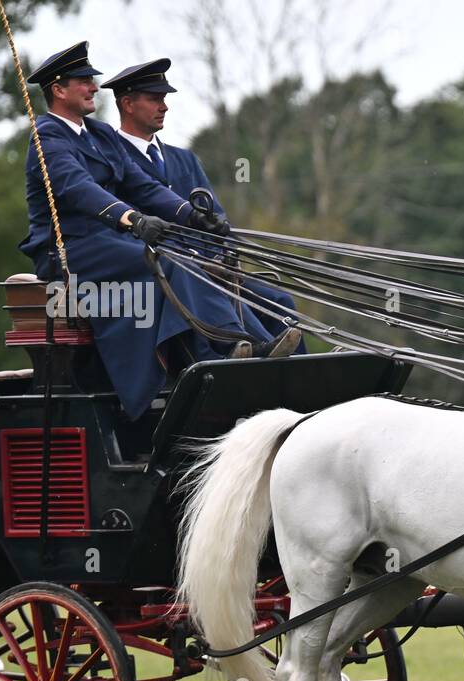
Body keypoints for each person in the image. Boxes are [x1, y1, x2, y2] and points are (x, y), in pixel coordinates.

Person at [16, 42, 296, 421]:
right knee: (175, 262)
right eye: (83, 81)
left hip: (112, 242)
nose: (94, 88)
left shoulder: (99, 135)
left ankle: (274, 361)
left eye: (92, 80)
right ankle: (227, 352)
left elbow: (143, 186)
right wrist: (132, 219)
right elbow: (78, 188)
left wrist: (192, 216)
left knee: (201, 264)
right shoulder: (47, 136)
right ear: (59, 89)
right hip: (73, 249)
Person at [104, 58, 304, 353]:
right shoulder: (112, 160)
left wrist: (224, 256)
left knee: (278, 301)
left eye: (165, 99)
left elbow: (215, 218)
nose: (164, 106)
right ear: (128, 104)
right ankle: (261, 351)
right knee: (226, 301)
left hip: (210, 270)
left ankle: (302, 378)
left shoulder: (184, 159)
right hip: (163, 275)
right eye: (155, 99)